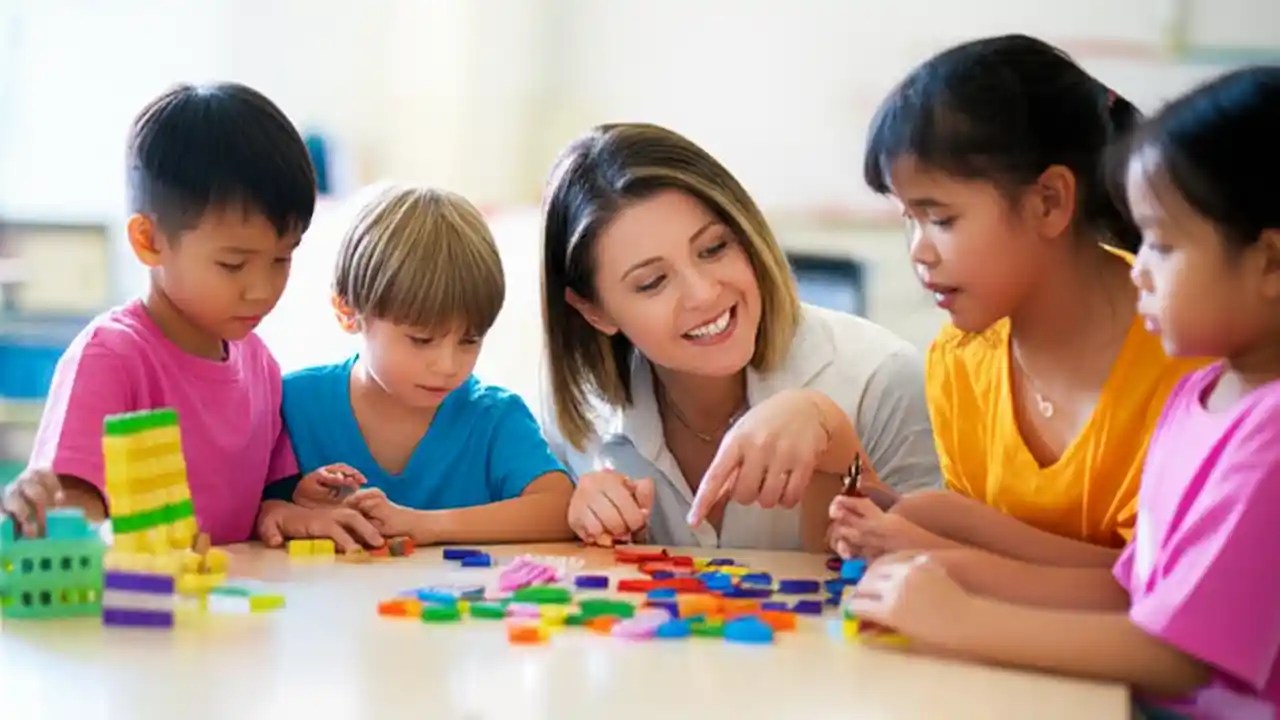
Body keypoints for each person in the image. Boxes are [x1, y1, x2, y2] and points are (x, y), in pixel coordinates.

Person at [850, 65, 1280, 720]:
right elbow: (1129, 587)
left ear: (1271, 263)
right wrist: (949, 555)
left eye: (1162, 245)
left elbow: (1179, 654)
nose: (1139, 269)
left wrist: (964, 620)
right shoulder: (1201, 393)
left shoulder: (1270, 430)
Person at [829, 34, 1202, 565]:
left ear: (1049, 202)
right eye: (907, 220)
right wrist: (905, 516)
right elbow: (988, 543)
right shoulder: (958, 360)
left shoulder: (1189, 354)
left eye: (941, 219)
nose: (919, 253)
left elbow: (1154, 585)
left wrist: (938, 543)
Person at [0, 82, 380, 549]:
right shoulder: (111, 359)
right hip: (135, 616)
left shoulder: (259, 364)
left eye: (282, 259)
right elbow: (72, 523)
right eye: (233, 265)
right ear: (149, 241)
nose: (262, 290)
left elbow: (260, 503)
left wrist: (289, 507)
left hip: (227, 613)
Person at [541, 122, 939, 551]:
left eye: (714, 249)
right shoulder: (581, 412)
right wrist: (573, 521)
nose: (704, 293)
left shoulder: (882, 377)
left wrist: (840, 453)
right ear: (594, 310)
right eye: (653, 281)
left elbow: (939, 570)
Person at [276, 185, 574, 545]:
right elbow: (234, 508)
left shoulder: (494, 417)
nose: (447, 366)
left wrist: (427, 525)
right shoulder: (291, 404)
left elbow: (561, 510)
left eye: (469, 340)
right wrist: (285, 510)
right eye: (421, 340)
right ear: (349, 312)